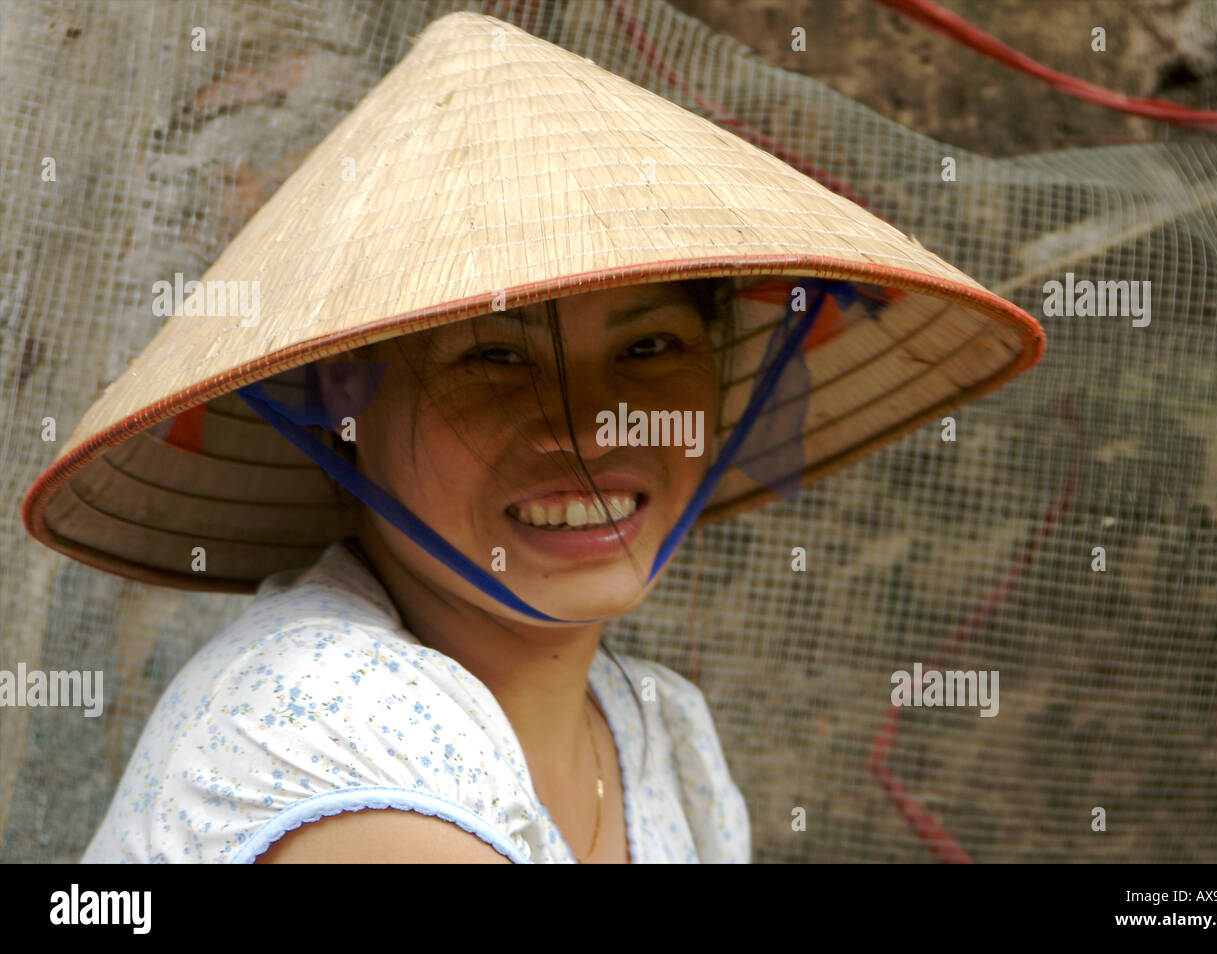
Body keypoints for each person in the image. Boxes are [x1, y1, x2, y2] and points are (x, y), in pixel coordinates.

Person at [23, 11, 1044, 863]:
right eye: (495, 360)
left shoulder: (658, 737)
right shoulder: (318, 727)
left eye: (648, 346)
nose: (594, 429)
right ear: (345, 398)